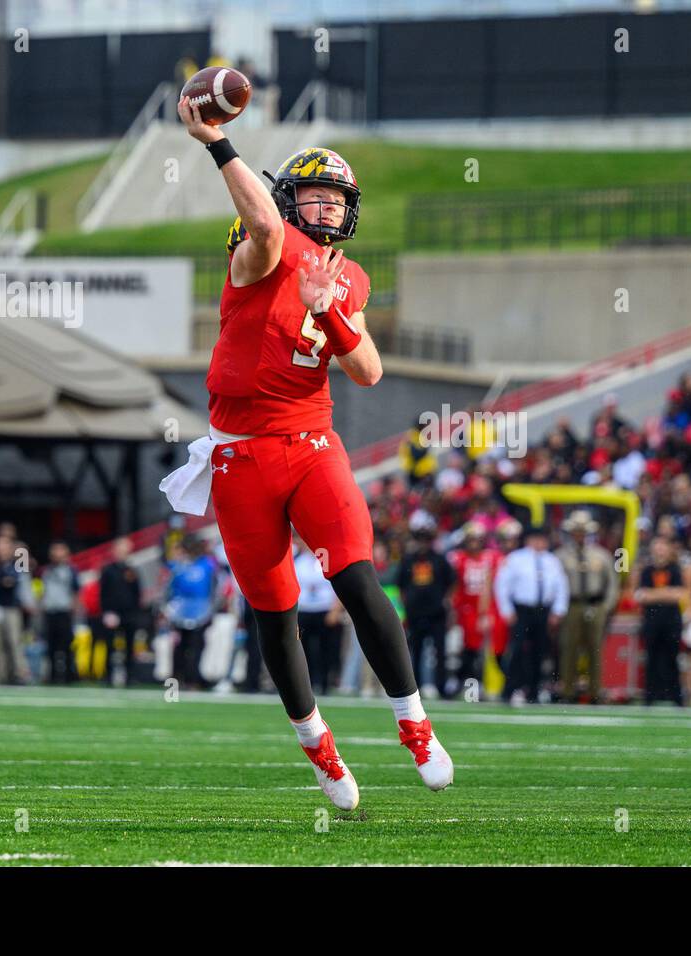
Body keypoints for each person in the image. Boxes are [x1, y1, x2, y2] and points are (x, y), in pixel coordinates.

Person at [167, 99, 453, 810]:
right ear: (286, 200)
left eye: (335, 198)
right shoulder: (263, 251)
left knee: (358, 580)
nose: (324, 210)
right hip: (239, 458)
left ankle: (413, 722)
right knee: (275, 611)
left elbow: (369, 372)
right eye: (313, 196)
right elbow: (263, 225)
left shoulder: (346, 277)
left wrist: (326, 306)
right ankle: (317, 745)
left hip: (311, 444)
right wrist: (216, 141)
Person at [495, 524, 568, 704]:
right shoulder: (515, 559)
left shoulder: (552, 561)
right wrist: (507, 610)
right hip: (522, 609)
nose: (540, 542)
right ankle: (510, 689)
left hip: (543, 610)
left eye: (542, 539)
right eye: (536, 538)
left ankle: (534, 691)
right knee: (517, 649)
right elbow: (502, 585)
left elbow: (561, 587)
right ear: (528, 540)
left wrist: (558, 610)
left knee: (540, 651)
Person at [556, 510, 618, 703]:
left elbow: (612, 584)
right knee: (569, 648)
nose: (579, 535)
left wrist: (606, 606)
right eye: (576, 531)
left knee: (595, 650)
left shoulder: (602, 555)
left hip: (595, 604)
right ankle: (567, 691)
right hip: (571, 604)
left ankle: (595, 692)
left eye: (582, 531)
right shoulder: (561, 556)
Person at [395, 517, 455, 698]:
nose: (422, 543)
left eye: (426, 539)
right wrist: (405, 607)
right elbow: (401, 585)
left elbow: (452, 582)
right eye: (419, 539)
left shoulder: (439, 559)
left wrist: (446, 602)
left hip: (436, 613)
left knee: (440, 652)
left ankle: (441, 687)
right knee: (415, 652)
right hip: (415, 613)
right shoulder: (408, 560)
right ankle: (416, 688)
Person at [449, 522, 507, 690]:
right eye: (471, 539)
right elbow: (454, 585)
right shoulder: (458, 558)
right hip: (465, 609)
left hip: (488, 608)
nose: (474, 542)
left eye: (477, 539)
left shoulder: (492, 557)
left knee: (491, 649)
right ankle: (467, 683)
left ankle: (482, 684)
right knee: (468, 648)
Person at [635, 536, 688, 706]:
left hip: (671, 622)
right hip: (651, 622)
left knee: (672, 659)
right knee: (651, 659)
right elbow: (640, 596)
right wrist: (666, 593)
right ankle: (650, 696)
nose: (660, 550)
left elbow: (679, 594)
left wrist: (654, 594)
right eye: (657, 547)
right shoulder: (646, 570)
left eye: (662, 547)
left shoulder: (675, 570)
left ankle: (675, 696)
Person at [291, 536, 342, 695]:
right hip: (303, 612)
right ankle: (307, 684)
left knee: (326, 648)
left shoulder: (325, 558)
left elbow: (337, 584)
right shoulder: (296, 560)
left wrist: (336, 609)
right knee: (303, 649)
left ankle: (326, 683)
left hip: (324, 610)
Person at [166, 537, 217, 690]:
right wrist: (168, 609)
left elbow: (214, 589)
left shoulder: (207, 565)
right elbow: (169, 590)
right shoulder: (178, 567)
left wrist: (211, 609)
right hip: (179, 613)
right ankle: (175, 680)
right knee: (179, 648)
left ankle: (192, 679)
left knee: (196, 647)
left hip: (201, 613)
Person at [98, 537, 142, 687]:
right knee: (110, 646)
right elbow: (103, 593)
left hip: (129, 614)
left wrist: (136, 612)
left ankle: (130, 677)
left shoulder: (132, 570)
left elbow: (137, 593)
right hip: (112, 614)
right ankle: (108, 676)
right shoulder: (108, 570)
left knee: (130, 647)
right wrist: (106, 612)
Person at [0, 534, 32, 685]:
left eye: (4, 546)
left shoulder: (18, 563)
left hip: (12, 608)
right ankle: (2, 674)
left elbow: (18, 580)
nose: (1, 549)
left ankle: (20, 674)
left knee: (14, 642)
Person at [40, 542, 78, 685]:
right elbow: (42, 590)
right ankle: (52, 675)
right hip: (50, 611)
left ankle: (69, 675)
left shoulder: (71, 570)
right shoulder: (46, 571)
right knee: (50, 646)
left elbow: (76, 591)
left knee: (67, 645)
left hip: (64, 611)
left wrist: (74, 608)